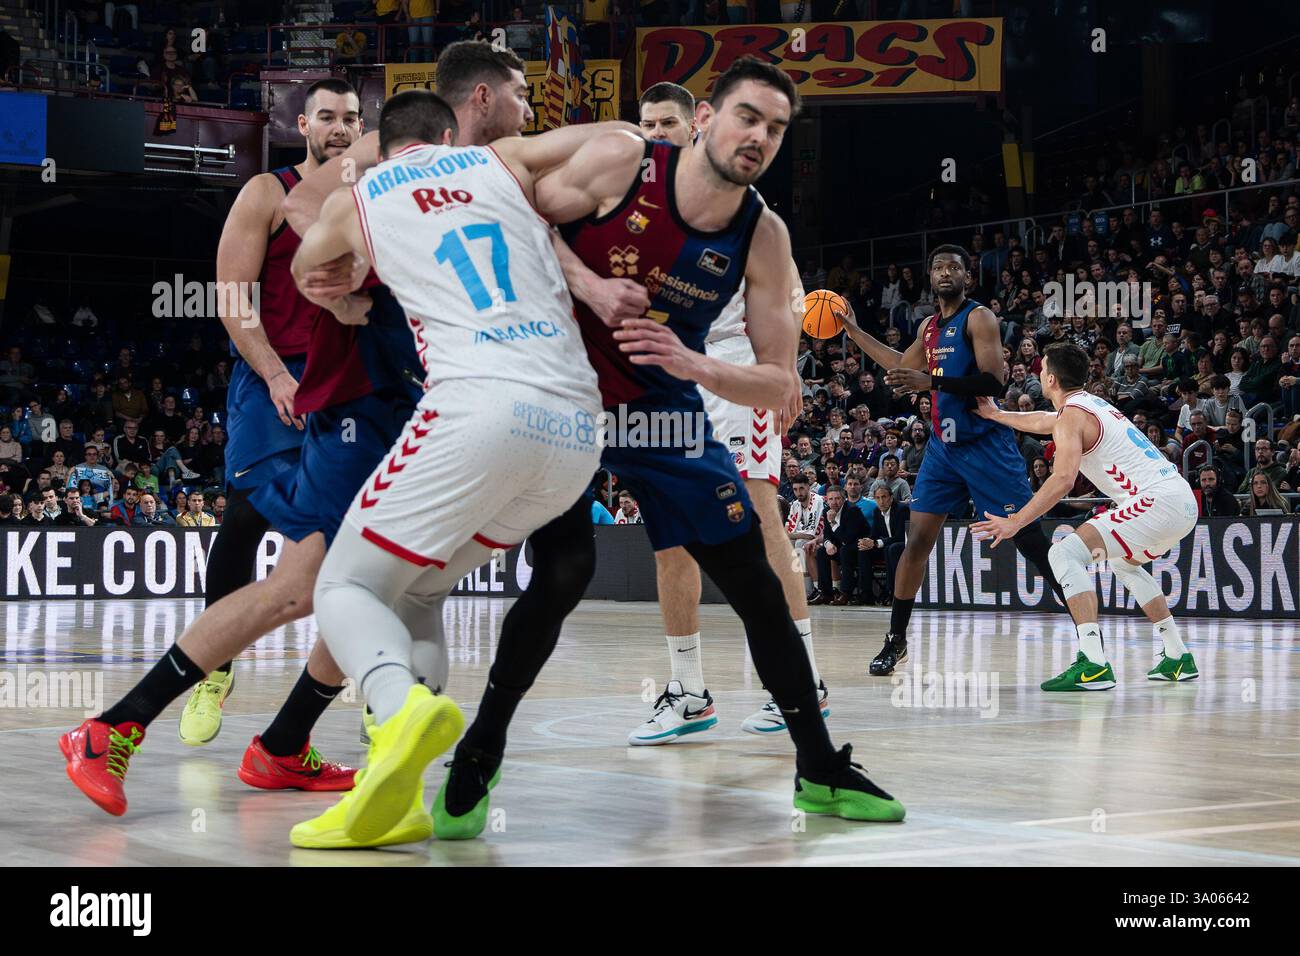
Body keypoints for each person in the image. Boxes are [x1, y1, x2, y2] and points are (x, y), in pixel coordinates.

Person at [435, 56, 905, 841]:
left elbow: (776, 384)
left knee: (753, 580)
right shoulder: (621, 161)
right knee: (563, 573)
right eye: (748, 116)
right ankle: (480, 749)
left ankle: (819, 768)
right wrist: (588, 287)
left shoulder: (764, 237)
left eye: (777, 128)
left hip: (664, 408)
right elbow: (513, 210)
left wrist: (691, 363)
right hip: (564, 394)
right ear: (707, 117)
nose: (759, 137)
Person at [624, 81, 828, 744]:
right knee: (669, 536)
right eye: (647, 121)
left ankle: (806, 677)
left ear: (696, 126)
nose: (656, 131)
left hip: (735, 361)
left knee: (758, 514)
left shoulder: (747, 210)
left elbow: (794, 289)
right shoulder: (632, 200)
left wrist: (787, 364)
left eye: (668, 122)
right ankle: (686, 692)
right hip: (668, 378)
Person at [171, 78, 367, 749]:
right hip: (274, 376)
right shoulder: (266, 193)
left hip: (349, 384)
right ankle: (213, 670)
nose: (340, 128)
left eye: (351, 118)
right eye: (328, 117)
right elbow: (233, 299)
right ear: (303, 123)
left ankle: (366, 686)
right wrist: (277, 373)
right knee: (250, 515)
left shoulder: (372, 198)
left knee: (355, 538)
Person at [836, 244, 1064, 677]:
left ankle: (1087, 631)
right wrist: (855, 333)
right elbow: (900, 368)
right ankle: (895, 640)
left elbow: (993, 381)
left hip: (985, 446)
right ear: (930, 275)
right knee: (914, 544)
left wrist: (930, 379)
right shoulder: (927, 327)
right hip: (944, 449)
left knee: (1031, 544)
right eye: (938, 267)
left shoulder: (979, 318)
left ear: (967, 277)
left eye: (953, 267)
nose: (945, 273)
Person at [973, 342, 1200, 689]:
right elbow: (1043, 421)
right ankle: (1178, 655)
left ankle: (1093, 663)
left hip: (1157, 501)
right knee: (1125, 564)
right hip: (1179, 500)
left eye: (1041, 369)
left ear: (1049, 378)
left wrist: (1017, 521)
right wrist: (997, 415)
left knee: (1063, 553)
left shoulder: (1072, 415)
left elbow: (1063, 479)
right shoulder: (1088, 404)